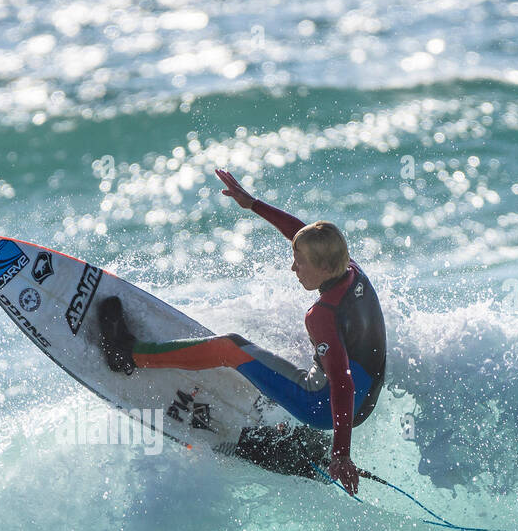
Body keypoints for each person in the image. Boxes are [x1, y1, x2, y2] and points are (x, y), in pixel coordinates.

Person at [98, 168, 387, 493]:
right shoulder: (349, 269)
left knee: (230, 348)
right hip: (367, 400)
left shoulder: (322, 315)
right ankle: (292, 442)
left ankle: (128, 354)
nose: (293, 267)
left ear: (321, 267)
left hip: (324, 406)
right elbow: (303, 235)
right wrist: (253, 205)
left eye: (300, 262)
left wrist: (342, 453)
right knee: (289, 360)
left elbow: (342, 382)